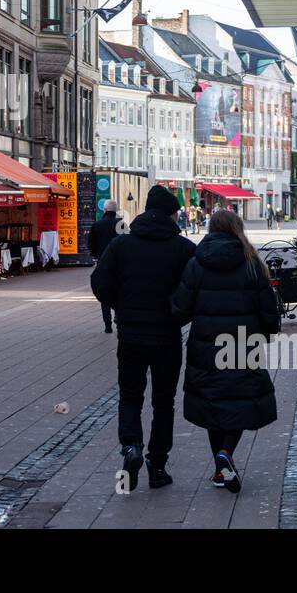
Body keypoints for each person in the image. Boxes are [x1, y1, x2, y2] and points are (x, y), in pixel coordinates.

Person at [91, 186, 196, 490]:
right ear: (171, 214)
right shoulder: (183, 249)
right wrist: (178, 314)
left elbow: (99, 281)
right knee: (164, 402)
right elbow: (193, 290)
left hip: (132, 335)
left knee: (130, 396)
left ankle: (131, 447)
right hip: (167, 337)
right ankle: (157, 464)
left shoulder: (122, 246)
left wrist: (121, 306)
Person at [170, 207, 280, 494]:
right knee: (241, 399)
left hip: (205, 346)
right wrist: (269, 329)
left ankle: (220, 468)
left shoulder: (197, 263)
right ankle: (226, 454)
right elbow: (268, 308)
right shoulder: (252, 262)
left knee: (212, 401)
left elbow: (180, 309)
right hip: (244, 343)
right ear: (237, 229)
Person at [87, 200, 123, 334]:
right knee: (119, 291)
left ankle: (107, 325)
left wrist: (96, 255)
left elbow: (90, 244)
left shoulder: (97, 225)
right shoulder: (120, 224)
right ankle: (118, 317)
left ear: (105, 210)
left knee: (104, 292)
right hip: (119, 265)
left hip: (102, 263)